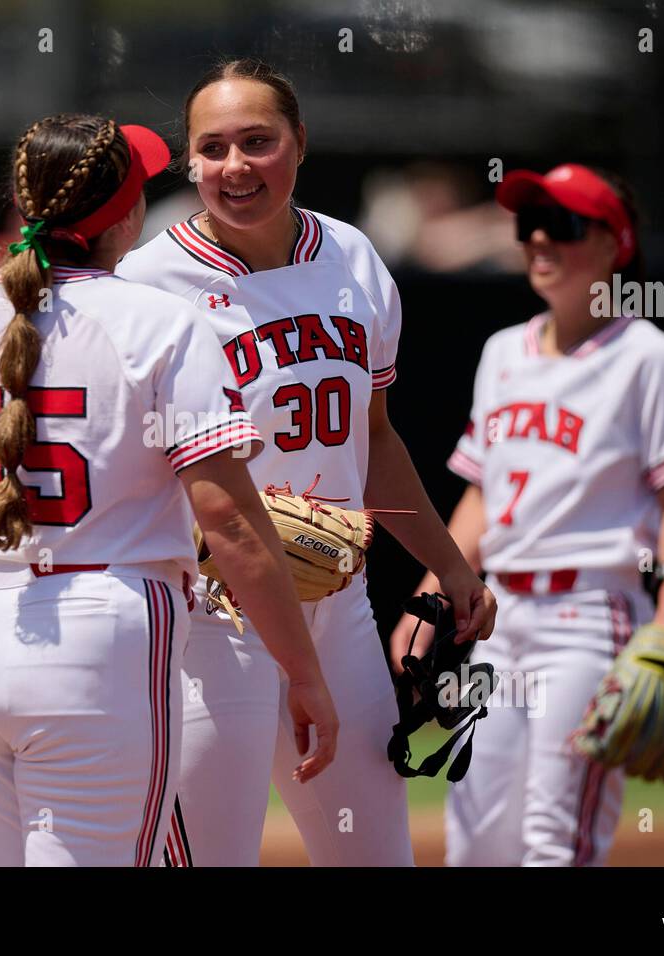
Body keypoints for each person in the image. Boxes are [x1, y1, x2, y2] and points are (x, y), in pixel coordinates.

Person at [0, 113, 338, 867]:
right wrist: (304, 671)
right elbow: (230, 524)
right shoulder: (162, 324)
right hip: (96, 634)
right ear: (126, 213)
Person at [115, 59, 496, 867]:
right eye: (212, 148)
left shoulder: (353, 257)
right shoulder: (147, 281)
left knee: (374, 853)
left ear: (300, 143)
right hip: (213, 616)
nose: (235, 166)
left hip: (339, 599)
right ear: (189, 161)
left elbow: (377, 442)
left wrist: (450, 566)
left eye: (258, 141)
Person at [389, 163, 664, 866]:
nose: (538, 239)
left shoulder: (650, 359)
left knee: (552, 840)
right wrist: (426, 596)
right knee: (475, 836)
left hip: (592, 617)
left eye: (560, 225)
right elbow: (483, 494)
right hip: (499, 619)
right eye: (528, 225)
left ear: (613, 243)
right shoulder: (503, 352)